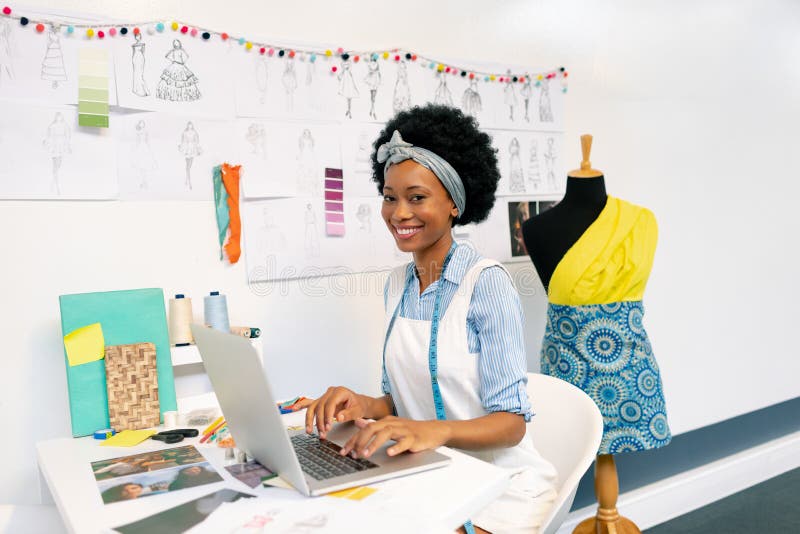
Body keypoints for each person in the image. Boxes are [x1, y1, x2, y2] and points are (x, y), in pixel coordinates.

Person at [296, 104, 557, 534]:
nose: (399, 213)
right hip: (431, 473)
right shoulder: (397, 285)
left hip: (500, 488)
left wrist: (432, 431)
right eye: (389, 197)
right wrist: (363, 405)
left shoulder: (485, 285)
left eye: (417, 197)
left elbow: (511, 425)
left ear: (454, 204)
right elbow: (400, 401)